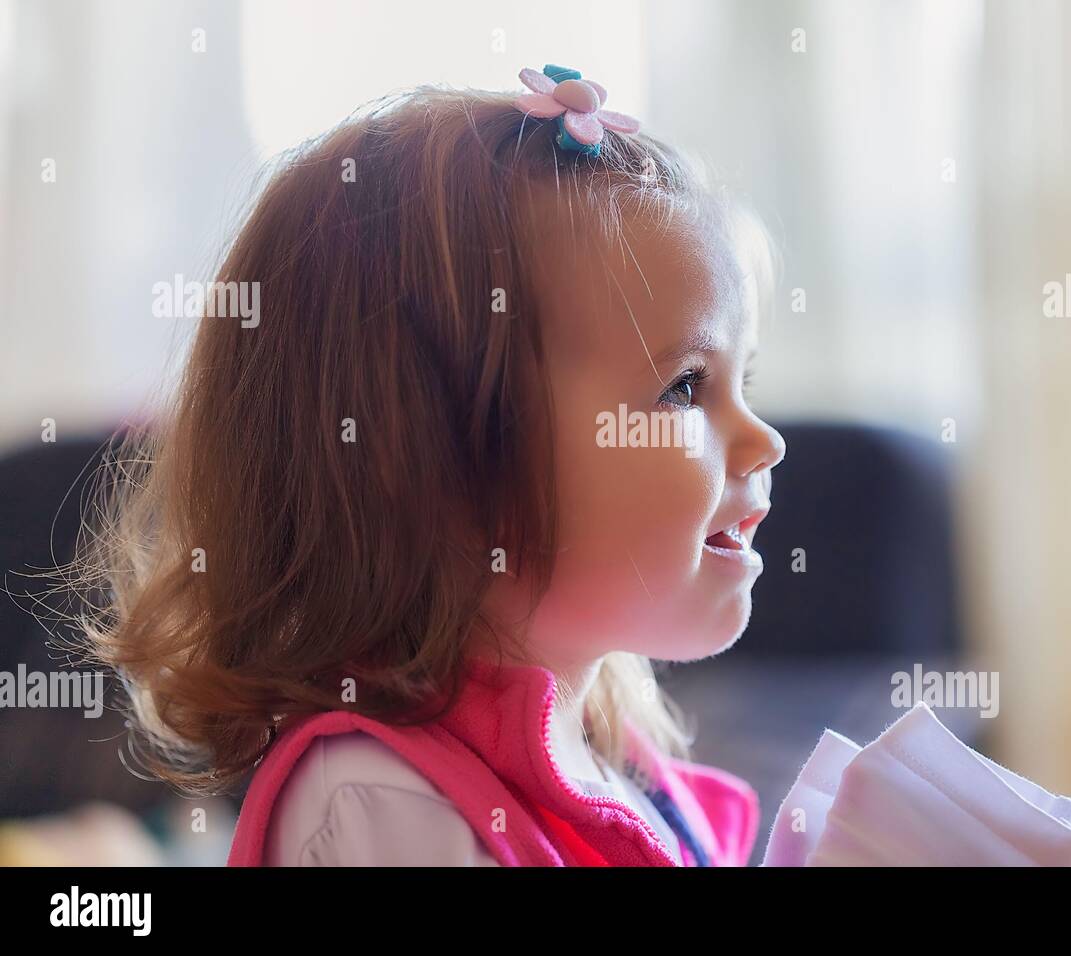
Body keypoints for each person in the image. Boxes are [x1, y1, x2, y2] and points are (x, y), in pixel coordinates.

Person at [73, 65, 786, 866]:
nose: (765, 439)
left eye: (743, 382)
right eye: (685, 387)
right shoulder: (377, 801)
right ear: (437, 463)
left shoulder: (625, 777)